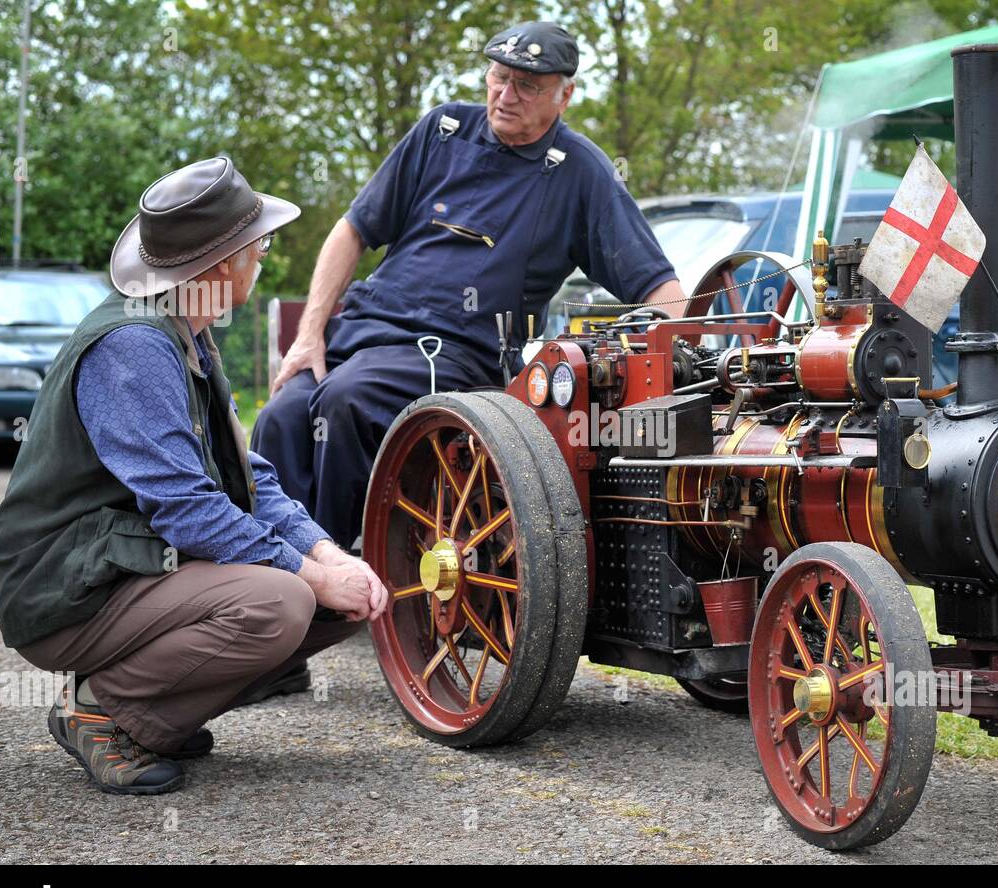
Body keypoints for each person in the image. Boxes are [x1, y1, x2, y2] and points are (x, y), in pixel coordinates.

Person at [0, 157, 388, 795]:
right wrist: (308, 574)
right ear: (222, 265)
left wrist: (326, 553)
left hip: (123, 569)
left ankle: (155, 716)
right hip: (65, 589)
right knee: (280, 602)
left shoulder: (186, 335)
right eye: (256, 242)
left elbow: (247, 478)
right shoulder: (135, 347)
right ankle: (100, 708)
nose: (263, 251)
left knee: (341, 592)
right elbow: (187, 508)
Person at [254, 19, 682, 552]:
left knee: (346, 401)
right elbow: (352, 229)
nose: (506, 95)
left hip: (456, 356)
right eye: (498, 77)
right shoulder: (442, 131)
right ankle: (276, 569)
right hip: (361, 332)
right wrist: (309, 334)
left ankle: (334, 577)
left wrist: (688, 346)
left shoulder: (582, 172)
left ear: (565, 95)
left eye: (528, 86)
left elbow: (655, 280)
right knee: (280, 418)